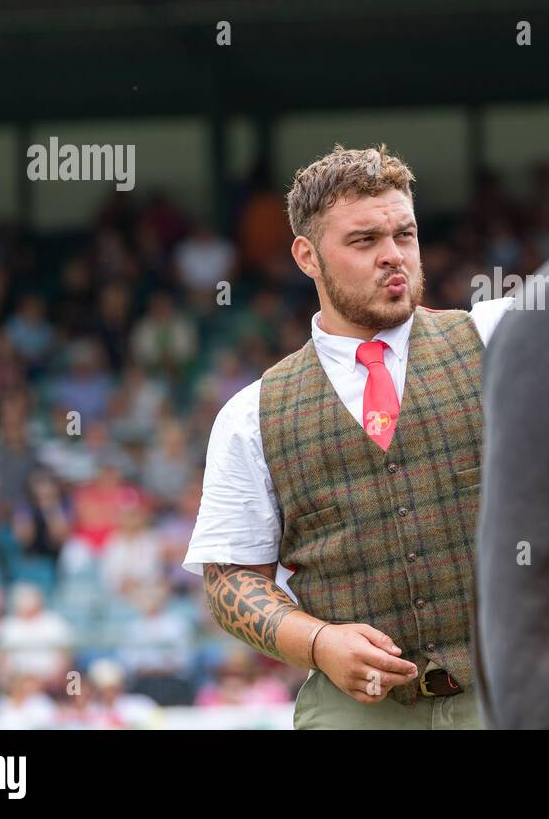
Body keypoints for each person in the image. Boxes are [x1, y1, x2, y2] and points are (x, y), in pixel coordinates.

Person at [184, 144, 514, 729]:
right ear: (307, 256)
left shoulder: (503, 338)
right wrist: (317, 642)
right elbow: (230, 580)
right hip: (354, 709)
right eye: (364, 241)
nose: (394, 255)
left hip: (515, 689)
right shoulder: (250, 414)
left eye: (405, 235)